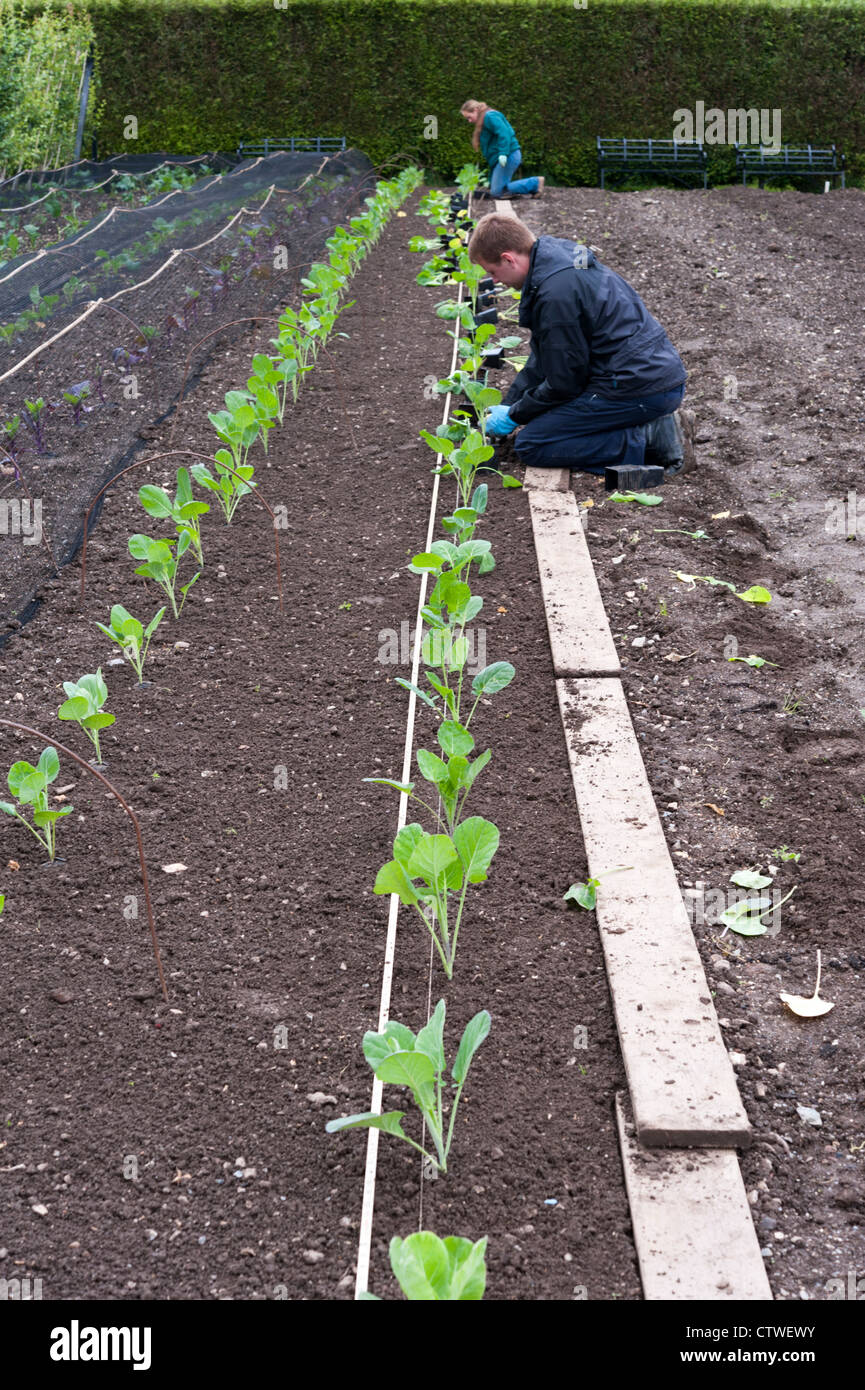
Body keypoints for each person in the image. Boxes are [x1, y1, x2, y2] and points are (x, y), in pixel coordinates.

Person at [466, 212, 695, 477]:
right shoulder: (557, 258)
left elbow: (564, 383)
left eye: (493, 272)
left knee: (534, 443)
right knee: (545, 419)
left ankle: (654, 438)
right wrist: (512, 403)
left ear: (508, 258)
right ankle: (652, 425)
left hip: (638, 386)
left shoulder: (555, 295)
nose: (494, 281)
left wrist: (515, 416)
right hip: (650, 373)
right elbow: (544, 356)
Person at [460, 100, 544, 199]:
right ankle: (530, 185)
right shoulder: (483, 119)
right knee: (496, 190)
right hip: (502, 158)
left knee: (497, 192)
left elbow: (504, 133)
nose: (469, 121)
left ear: (475, 110)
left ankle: (535, 183)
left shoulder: (490, 116)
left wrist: (503, 153)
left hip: (509, 155)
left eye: (469, 117)